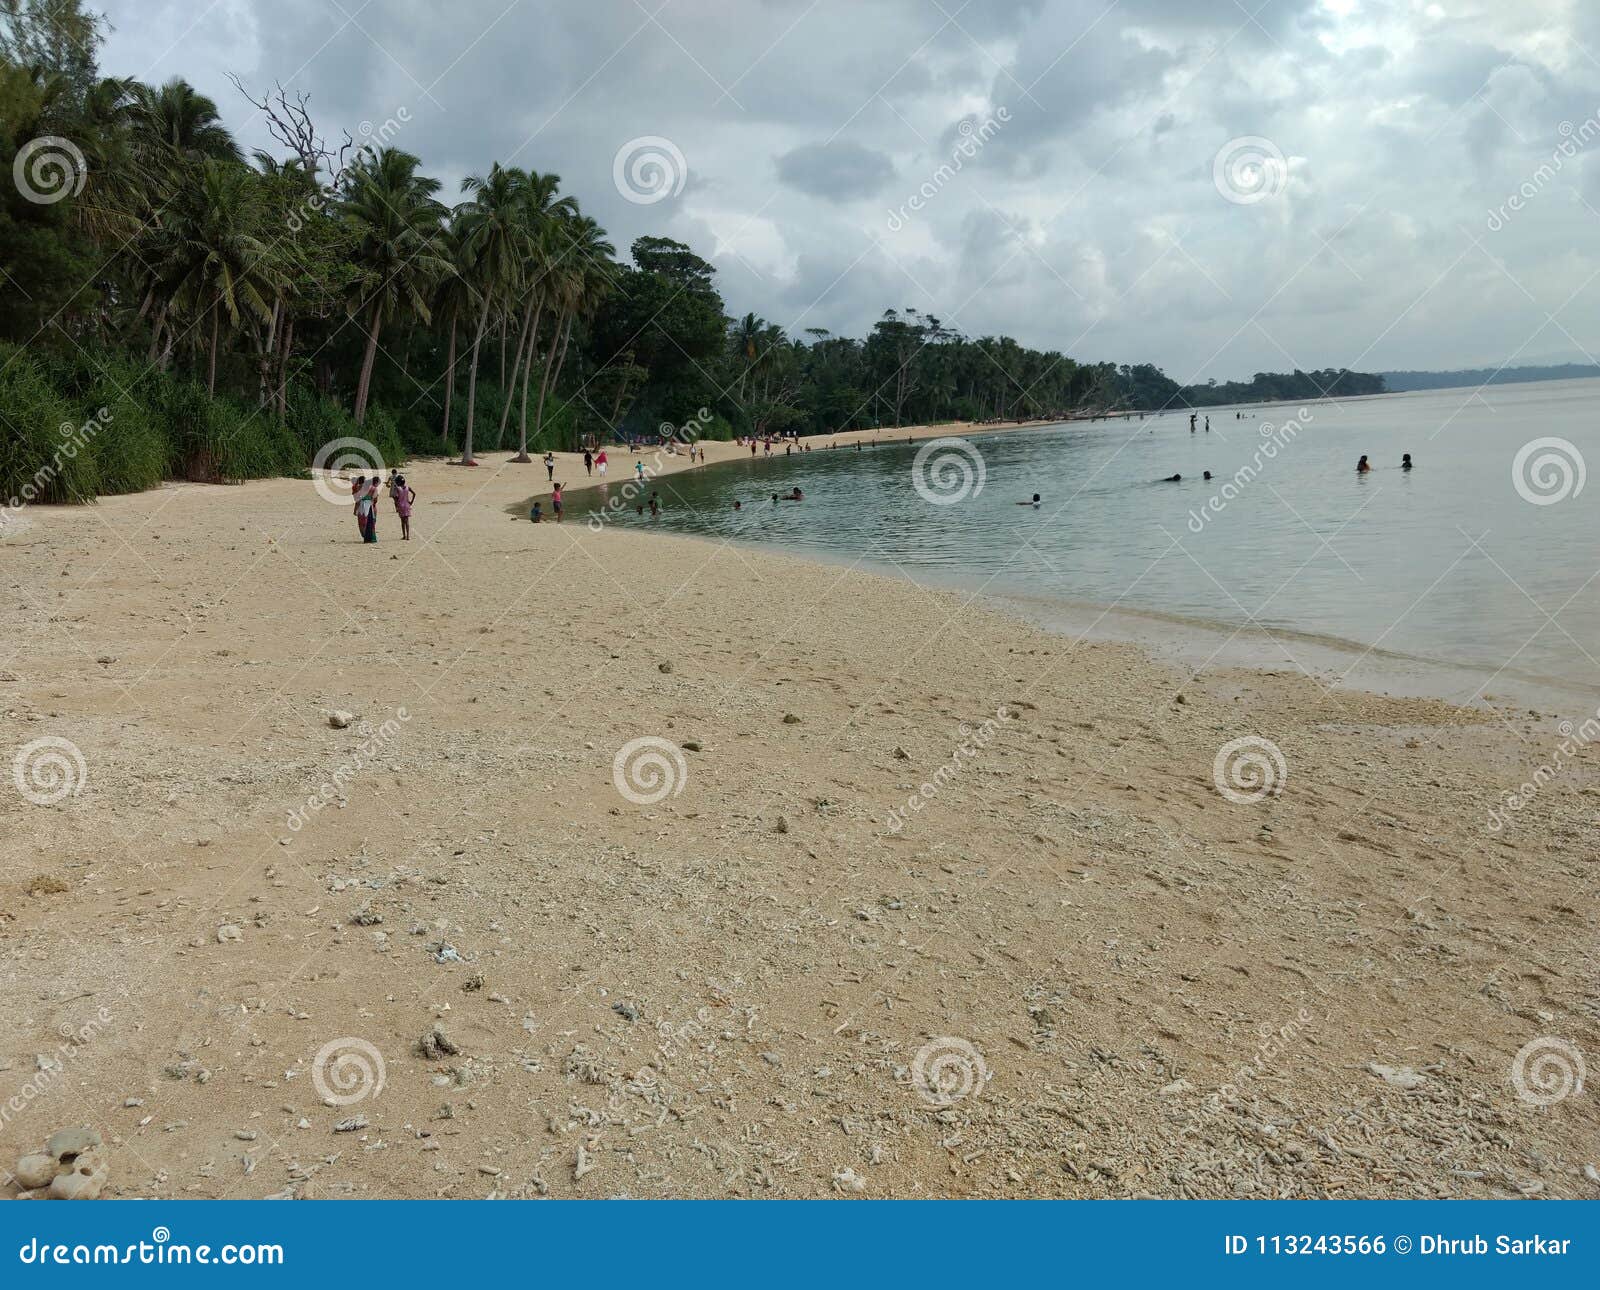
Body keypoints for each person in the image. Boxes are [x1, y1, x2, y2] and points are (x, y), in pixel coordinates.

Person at [394, 474, 415, 540]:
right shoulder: (408, 487)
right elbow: (414, 494)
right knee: (407, 521)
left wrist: (396, 505)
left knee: (402, 521)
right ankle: (408, 536)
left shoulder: (398, 488)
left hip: (401, 505)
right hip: (407, 505)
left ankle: (404, 535)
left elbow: (396, 498)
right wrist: (411, 502)